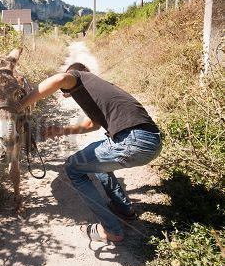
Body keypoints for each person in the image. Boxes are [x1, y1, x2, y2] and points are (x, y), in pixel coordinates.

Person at [17, 63, 162, 243]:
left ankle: (111, 230)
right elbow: (93, 124)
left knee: (73, 168)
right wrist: (61, 130)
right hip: (152, 141)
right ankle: (124, 209)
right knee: (94, 158)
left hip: (132, 140)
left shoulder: (78, 77)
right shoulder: (97, 90)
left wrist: (19, 106)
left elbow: (60, 79)